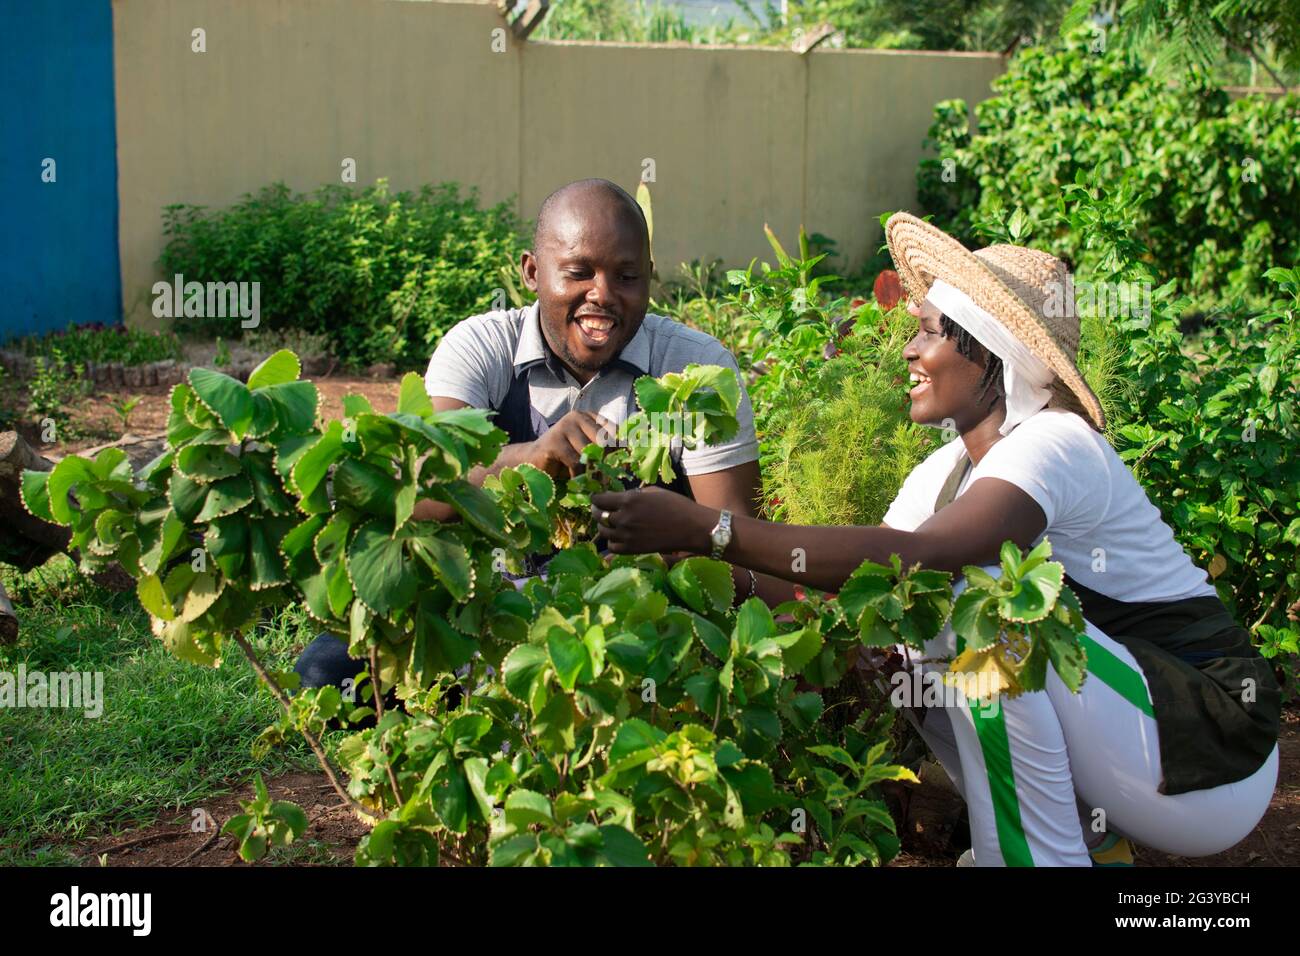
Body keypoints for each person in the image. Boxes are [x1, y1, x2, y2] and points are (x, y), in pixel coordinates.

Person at [589, 213, 1281, 867]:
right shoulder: (946, 473)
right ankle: (1070, 841)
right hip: (1135, 750)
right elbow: (857, 593)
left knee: (979, 609)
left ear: (988, 351)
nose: (909, 350)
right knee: (896, 630)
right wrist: (701, 557)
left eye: (928, 331)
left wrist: (712, 526)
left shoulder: (1056, 445)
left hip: (1212, 749)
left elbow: (927, 558)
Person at [295, 179, 763, 695]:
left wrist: (665, 549)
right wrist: (532, 457)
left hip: (637, 616)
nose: (602, 295)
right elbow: (423, 487)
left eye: (626, 276)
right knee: (329, 673)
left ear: (649, 279)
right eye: (578, 272)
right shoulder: (480, 348)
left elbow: (735, 539)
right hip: (493, 610)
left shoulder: (696, 368)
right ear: (532, 273)